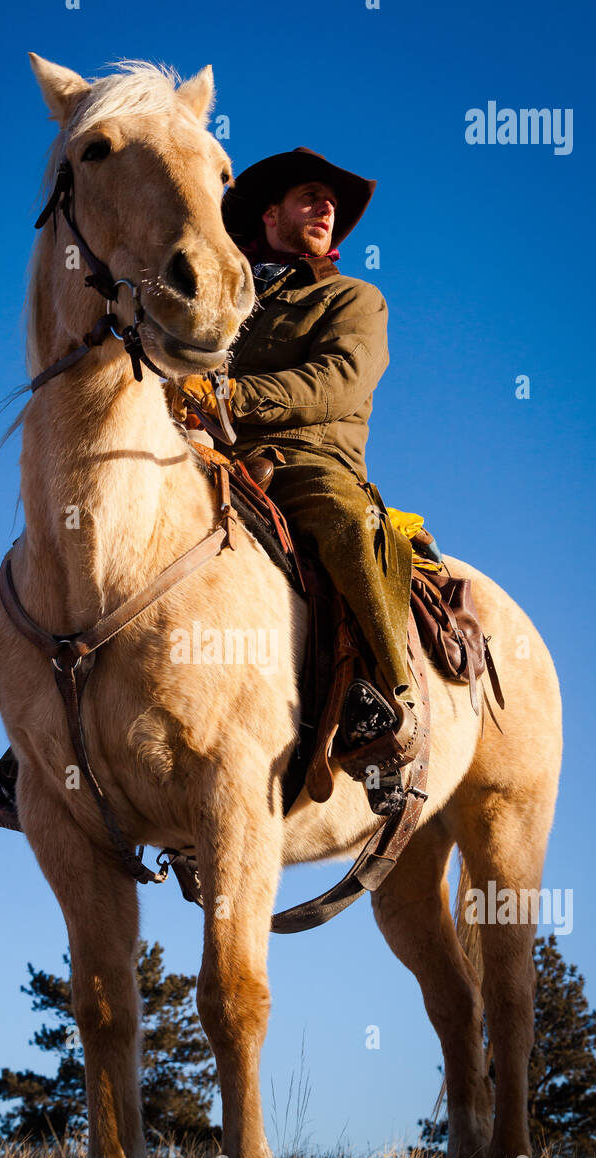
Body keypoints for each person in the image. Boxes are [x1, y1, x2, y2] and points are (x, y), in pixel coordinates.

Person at [172, 147, 420, 775]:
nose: (326, 207)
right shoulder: (222, 301)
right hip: (208, 452)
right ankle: (52, 735)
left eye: (331, 201)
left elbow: (337, 381)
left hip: (306, 460)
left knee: (344, 521)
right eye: (310, 196)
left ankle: (388, 708)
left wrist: (227, 396)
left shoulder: (355, 298)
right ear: (270, 214)